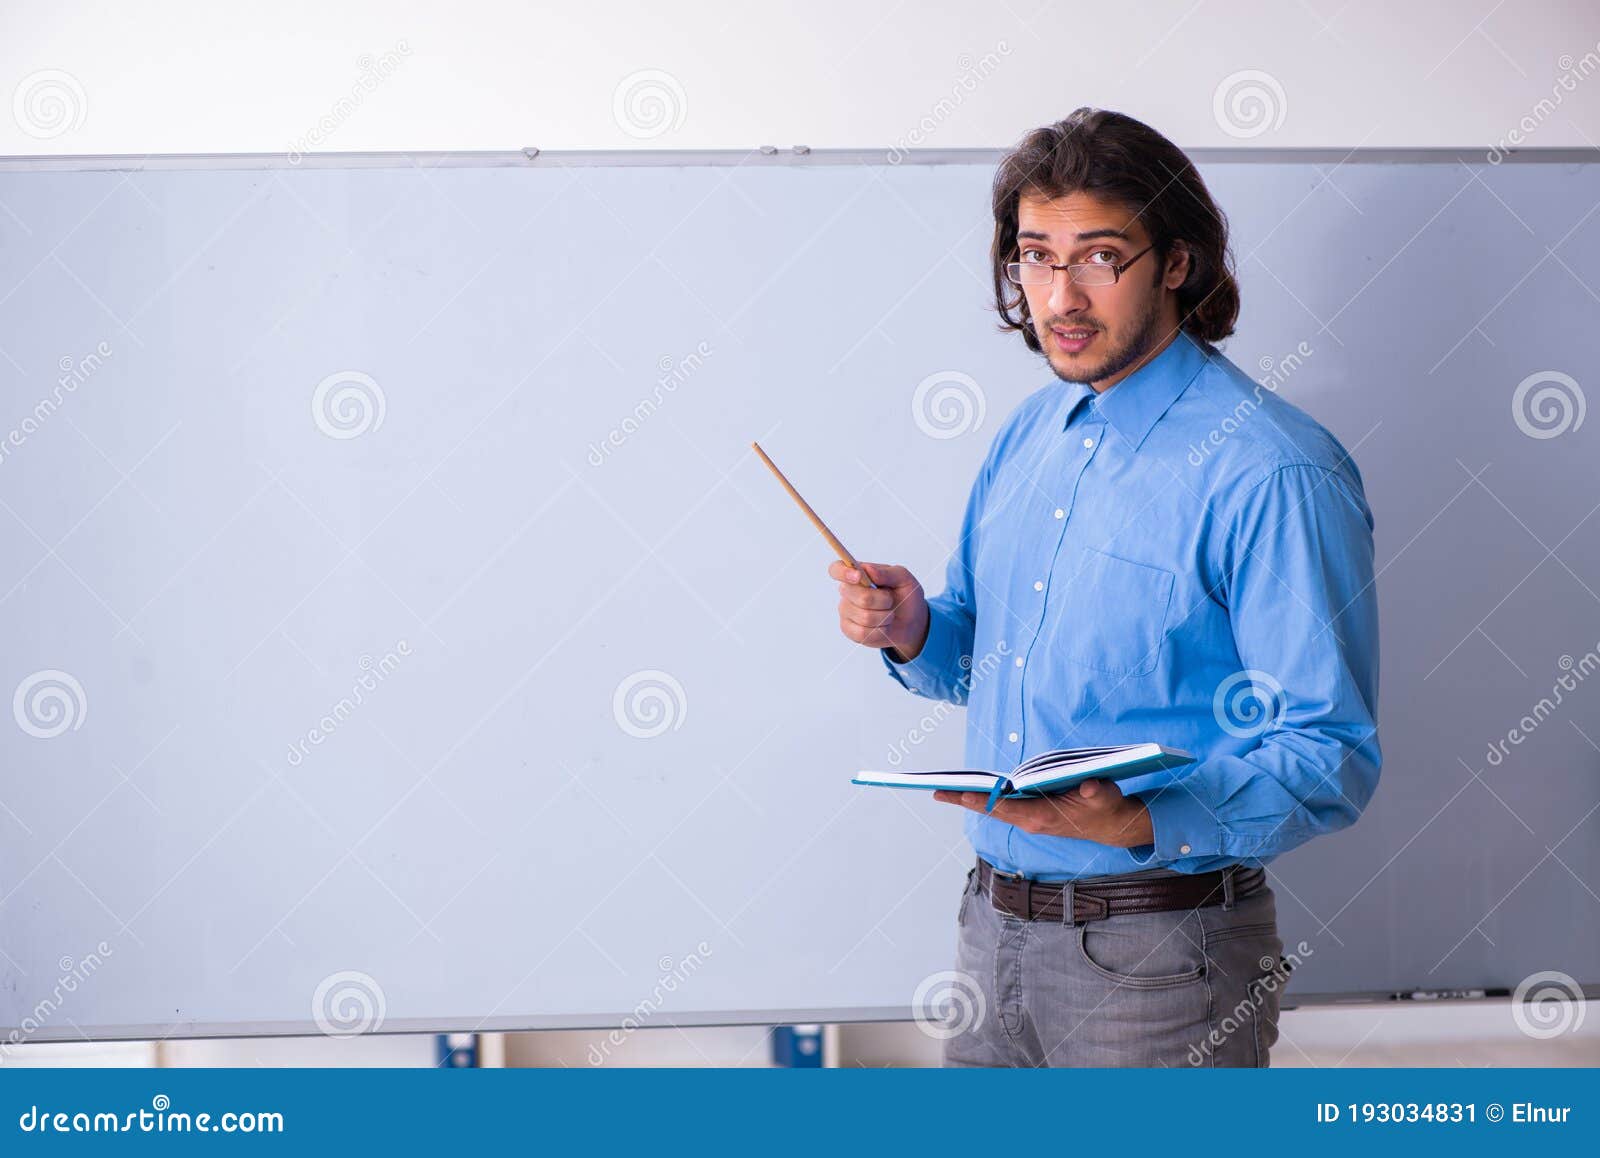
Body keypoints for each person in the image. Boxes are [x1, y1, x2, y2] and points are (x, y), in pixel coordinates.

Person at [828, 108, 1381, 1067]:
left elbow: (1330, 752)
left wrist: (1141, 818)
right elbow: (986, 656)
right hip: (991, 935)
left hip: (1161, 959)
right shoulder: (1031, 434)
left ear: (1175, 263)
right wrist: (918, 630)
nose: (1061, 295)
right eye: (1037, 258)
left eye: (1099, 257)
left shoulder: (1271, 470)